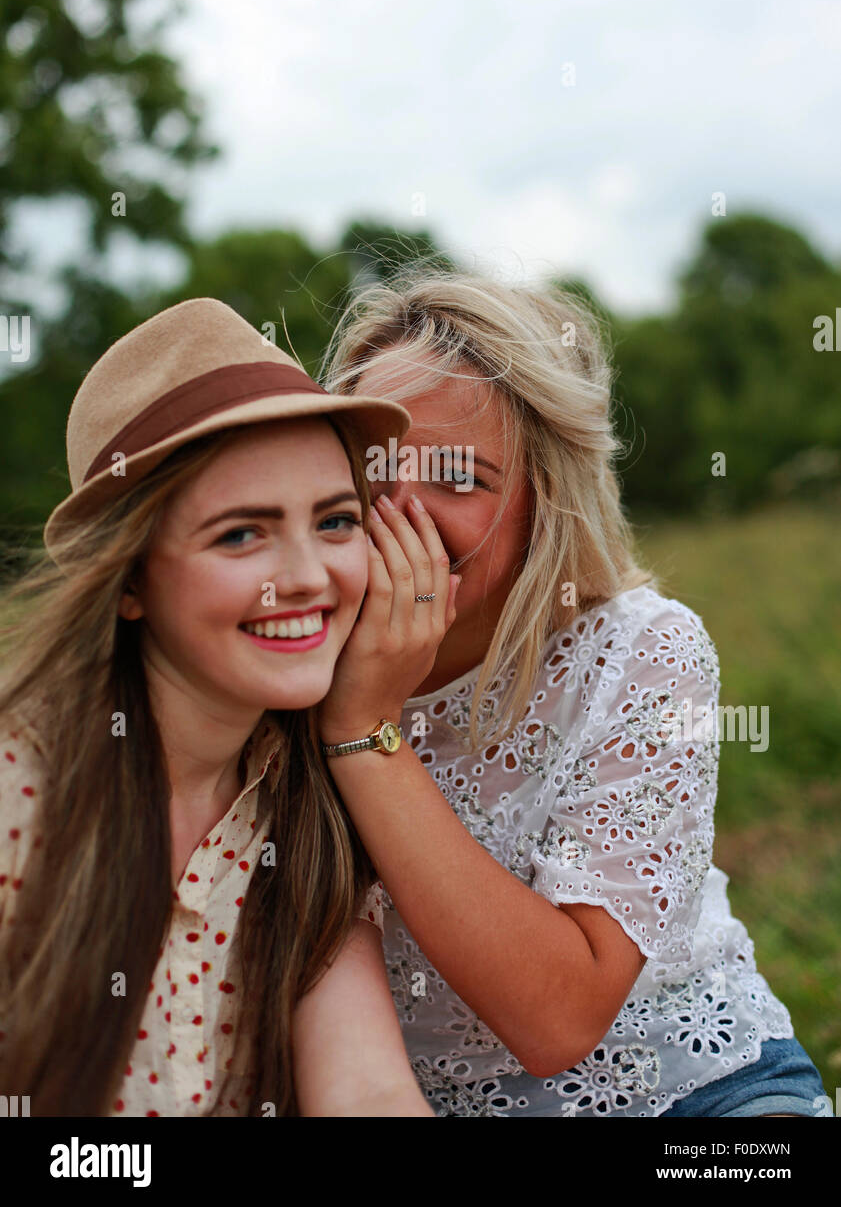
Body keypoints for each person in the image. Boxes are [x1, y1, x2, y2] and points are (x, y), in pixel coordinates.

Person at [312, 264, 829, 1118]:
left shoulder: (645, 653)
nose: (398, 515)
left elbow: (558, 1018)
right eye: (373, 470)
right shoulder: (285, 651)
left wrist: (365, 728)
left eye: (460, 479)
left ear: (546, 500)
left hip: (689, 1099)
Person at [0, 296, 450, 1118]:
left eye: (335, 520)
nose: (307, 576)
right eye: (242, 534)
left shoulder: (307, 805)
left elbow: (367, 1091)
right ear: (130, 579)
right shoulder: (21, 791)